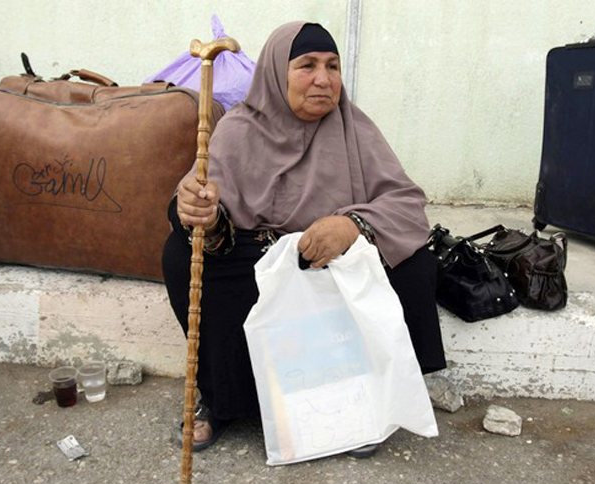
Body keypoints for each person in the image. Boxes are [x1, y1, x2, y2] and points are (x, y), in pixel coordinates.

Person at [162, 21, 446, 459]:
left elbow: (406, 203)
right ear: (277, 72)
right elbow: (208, 205)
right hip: (256, 255)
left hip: (327, 261)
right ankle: (225, 402)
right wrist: (202, 212)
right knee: (182, 251)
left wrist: (353, 225)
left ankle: (355, 405)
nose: (324, 78)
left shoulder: (354, 129)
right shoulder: (238, 129)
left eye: (333, 66)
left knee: (416, 262)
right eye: (307, 65)